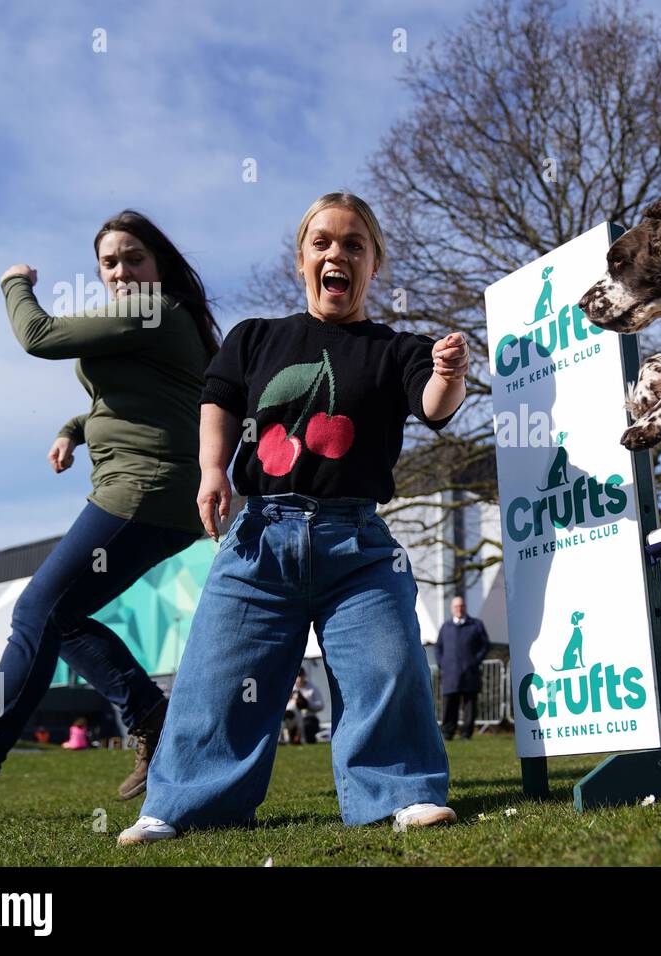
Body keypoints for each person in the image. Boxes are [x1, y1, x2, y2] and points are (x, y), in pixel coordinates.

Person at [119, 192, 468, 845]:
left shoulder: (397, 349)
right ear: (302, 257)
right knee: (216, 675)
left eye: (355, 244)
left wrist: (448, 372)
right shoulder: (255, 337)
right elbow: (218, 399)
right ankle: (186, 803)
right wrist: (212, 471)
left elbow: (435, 403)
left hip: (357, 544)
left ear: (374, 264)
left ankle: (402, 790)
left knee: (387, 667)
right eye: (323, 242)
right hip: (259, 540)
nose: (338, 254)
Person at [0, 212, 218, 824]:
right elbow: (136, 398)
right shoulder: (155, 320)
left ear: (159, 265)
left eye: (133, 258)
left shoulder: (151, 308)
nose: (121, 271)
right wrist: (73, 429)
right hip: (151, 491)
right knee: (61, 618)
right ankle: (151, 715)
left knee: (36, 612)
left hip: (143, 490)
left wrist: (13, 281)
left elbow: (38, 336)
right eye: (109, 262)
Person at [435, 596, 491, 740]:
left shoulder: (476, 625)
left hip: (469, 672)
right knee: (449, 704)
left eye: (461, 606)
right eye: (456, 606)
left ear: (465, 607)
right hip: (450, 673)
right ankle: (447, 733)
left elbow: (485, 645)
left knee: (469, 705)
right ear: (451, 609)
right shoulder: (445, 627)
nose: (459, 609)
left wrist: (476, 660)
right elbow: (438, 647)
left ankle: (466, 734)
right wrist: (442, 663)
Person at [283, 667, 325, 744]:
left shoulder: (312, 688)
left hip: (308, 718)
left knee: (307, 729)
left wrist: (308, 704)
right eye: (297, 676)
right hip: (292, 719)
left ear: (304, 675)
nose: (299, 678)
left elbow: (321, 705)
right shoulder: (290, 689)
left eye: (301, 675)